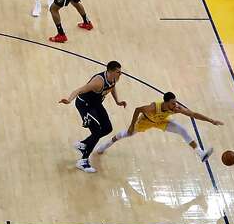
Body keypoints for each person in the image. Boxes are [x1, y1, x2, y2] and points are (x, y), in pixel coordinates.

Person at [94, 92, 222, 163]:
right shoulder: (153, 107)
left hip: (161, 122)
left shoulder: (176, 108)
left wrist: (211, 121)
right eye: (173, 103)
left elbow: (193, 114)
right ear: (166, 103)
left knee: (182, 130)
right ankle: (104, 146)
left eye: (175, 102)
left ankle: (200, 153)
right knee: (124, 135)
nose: (175, 105)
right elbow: (138, 109)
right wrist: (132, 126)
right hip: (146, 121)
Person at [61, 60, 125, 172]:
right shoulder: (98, 82)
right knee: (96, 132)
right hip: (84, 105)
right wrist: (69, 100)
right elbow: (79, 90)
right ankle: (83, 161)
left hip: (95, 104)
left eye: (120, 71)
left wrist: (117, 101)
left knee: (107, 128)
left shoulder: (114, 78)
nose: (120, 74)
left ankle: (84, 144)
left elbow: (112, 87)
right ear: (110, 71)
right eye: (118, 72)